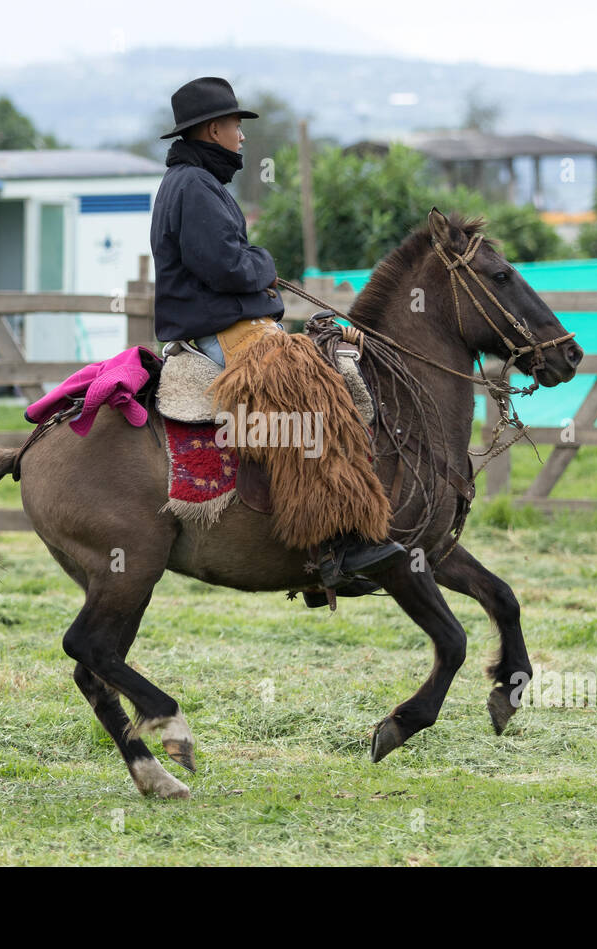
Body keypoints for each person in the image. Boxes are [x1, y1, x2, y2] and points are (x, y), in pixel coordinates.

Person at [150, 77, 405, 587]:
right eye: (236, 126)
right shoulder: (195, 188)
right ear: (213, 128)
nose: (242, 137)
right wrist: (263, 263)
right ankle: (333, 543)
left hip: (232, 327)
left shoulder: (198, 183)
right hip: (220, 334)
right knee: (313, 395)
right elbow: (223, 266)